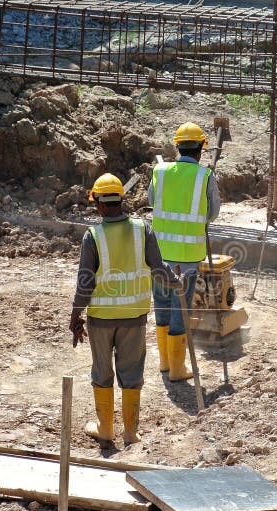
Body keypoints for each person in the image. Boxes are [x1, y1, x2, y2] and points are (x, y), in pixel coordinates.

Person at [70, 173, 180, 446]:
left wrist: (75, 314)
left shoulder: (93, 236)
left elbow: (85, 282)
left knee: (102, 371)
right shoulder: (143, 229)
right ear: (121, 200)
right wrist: (177, 282)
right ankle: (130, 432)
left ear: (99, 204)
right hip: (134, 316)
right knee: (132, 372)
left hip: (101, 319)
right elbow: (159, 269)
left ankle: (105, 429)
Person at [148, 122, 220, 381]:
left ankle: (165, 362)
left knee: (161, 305)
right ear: (201, 149)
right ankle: (177, 369)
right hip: (187, 259)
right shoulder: (205, 176)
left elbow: (151, 201)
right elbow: (212, 213)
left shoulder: (160, 171)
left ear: (177, 147)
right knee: (180, 309)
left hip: (158, 255)